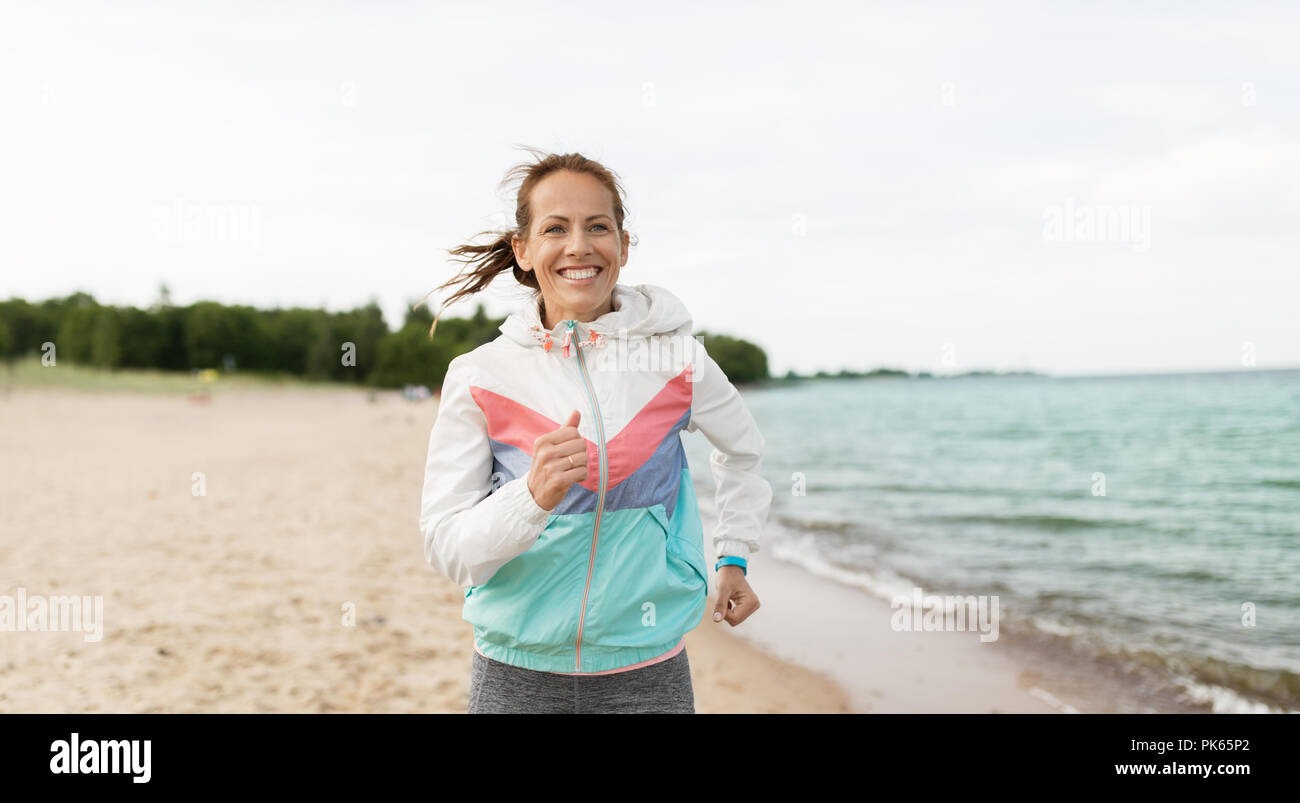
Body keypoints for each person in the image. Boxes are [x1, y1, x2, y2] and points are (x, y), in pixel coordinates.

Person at [418, 148, 772, 713]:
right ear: (524, 250)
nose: (579, 245)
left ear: (623, 246)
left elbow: (743, 454)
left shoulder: (678, 359)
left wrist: (733, 556)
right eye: (555, 228)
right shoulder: (479, 375)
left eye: (597, 227)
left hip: (648, 671)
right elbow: (449, 550)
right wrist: (530, 499)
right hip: (515, 673)